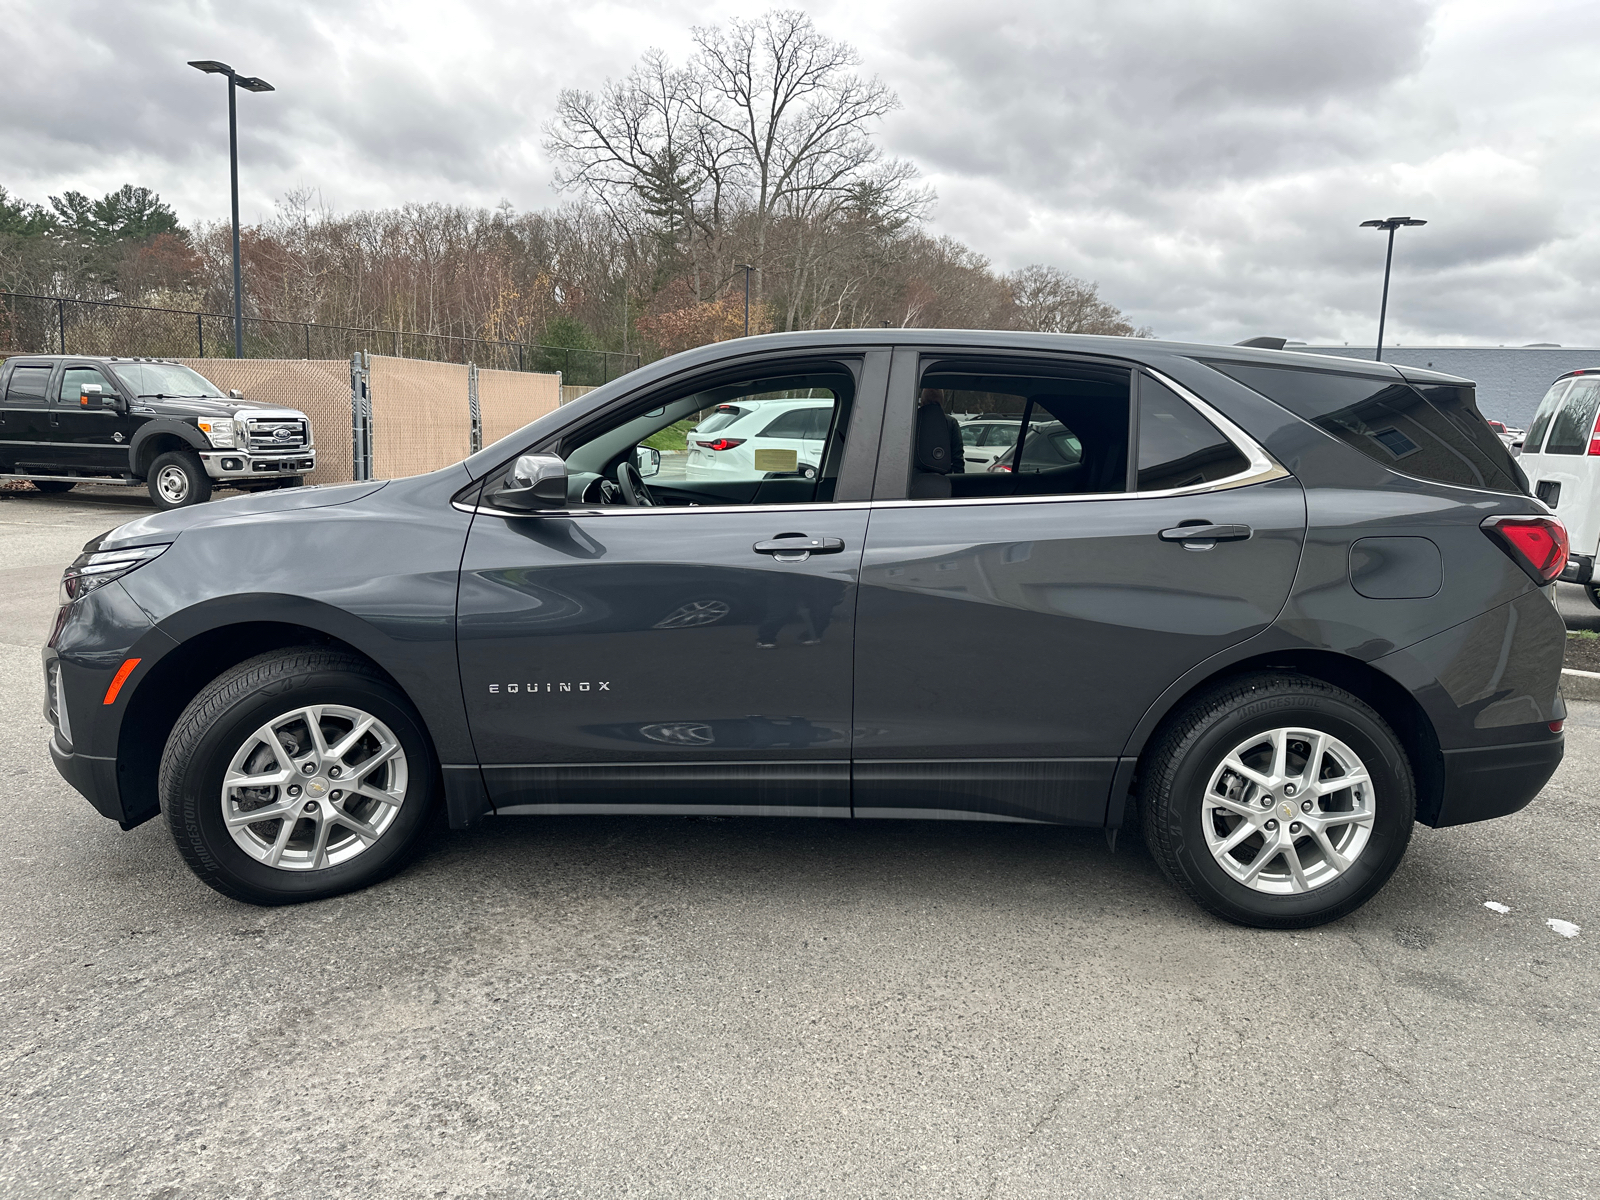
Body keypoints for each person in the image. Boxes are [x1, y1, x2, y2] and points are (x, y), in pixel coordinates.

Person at [918, 387, 965, 473]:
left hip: (914, 476)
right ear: (941, 400)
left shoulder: (913, 421)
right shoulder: (951, 423)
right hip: (943, 477)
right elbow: (957, 458)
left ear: (922, 400)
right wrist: (958, 478)